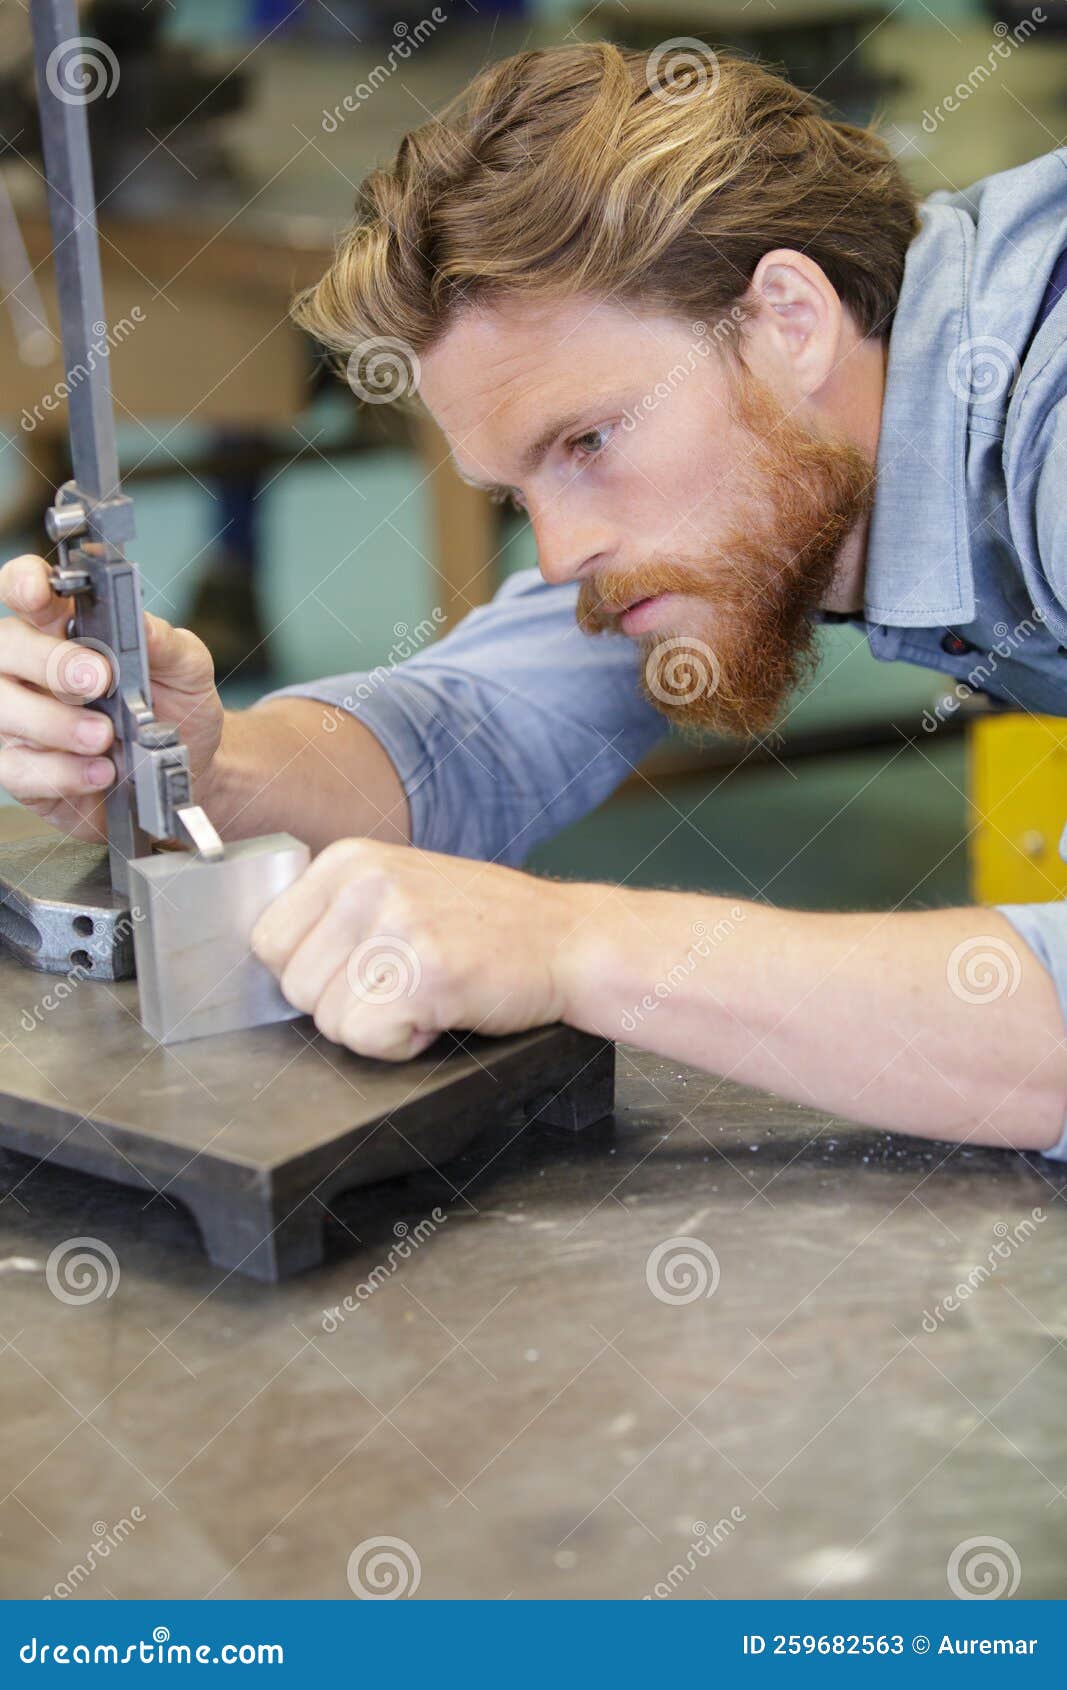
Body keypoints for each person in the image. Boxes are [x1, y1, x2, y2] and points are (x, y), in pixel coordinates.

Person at [1, 44, 1065, 1155]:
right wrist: (205, 769)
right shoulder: (785, 457)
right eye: (516, 491)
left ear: (787, 322)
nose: (559, 556)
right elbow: (473, 730)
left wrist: (575, 947)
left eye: (588, 441)